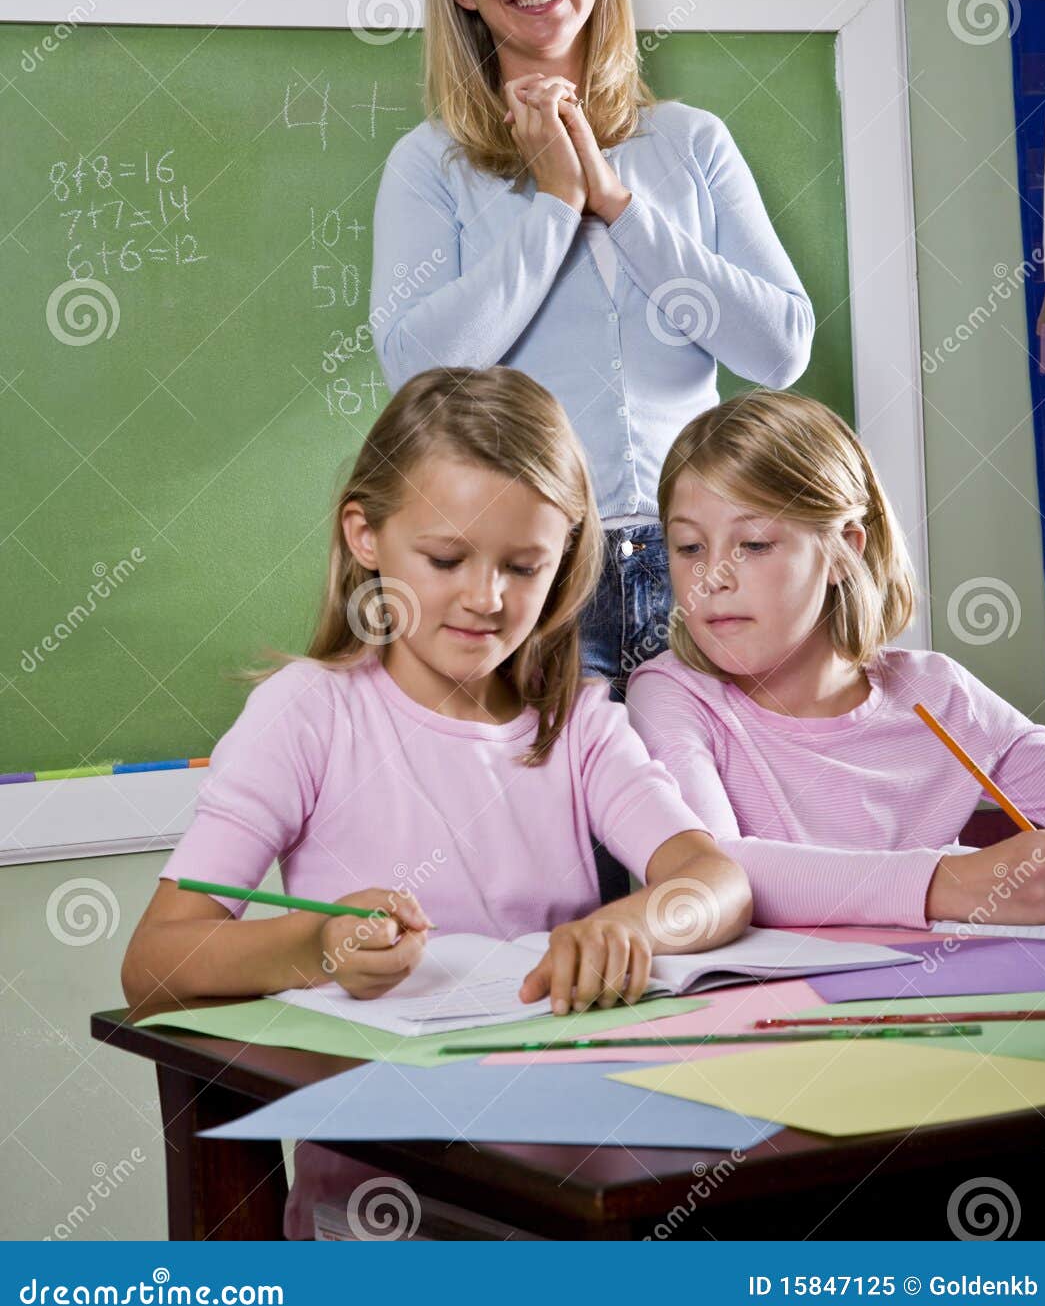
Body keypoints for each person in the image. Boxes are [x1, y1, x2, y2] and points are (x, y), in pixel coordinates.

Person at [122, 366, 751, 1240]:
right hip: (379, 1215)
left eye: (524, 566)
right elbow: (154, 965)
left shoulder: (579, 727)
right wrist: (318, 942)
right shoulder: (309, 711)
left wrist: (637, 927)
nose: (485, 598)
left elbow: (713, 879)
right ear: (367, 536)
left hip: (567, 1184)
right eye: (447, 559)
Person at [369, 0, 814, 728]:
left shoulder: (689, 143)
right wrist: (551, 208)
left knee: (709, 839)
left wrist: (616, 205)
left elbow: (777, 349)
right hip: (539, 570)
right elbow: (420, 374)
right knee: (574, 849)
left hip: (704, 561)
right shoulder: (432, 166)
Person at [626, 389, 1045, 931]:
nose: (713, 577)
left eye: (756, 544)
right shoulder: (671, 694)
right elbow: (709, 873)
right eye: (690, 547)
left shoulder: (940, 694)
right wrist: (951, 883)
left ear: (844, 550)